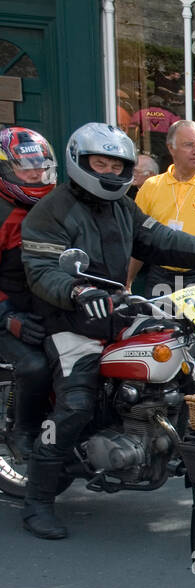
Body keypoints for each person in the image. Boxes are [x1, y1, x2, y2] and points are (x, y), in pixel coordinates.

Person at [20, 123, 195, 539]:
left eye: (116, 164)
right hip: (69, 321)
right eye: (99, 163)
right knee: (77, 401)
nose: (107, 171)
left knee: (184, 356)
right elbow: (40, 271)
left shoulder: (123, 206)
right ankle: (37, 501)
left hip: (116, 312)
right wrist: (75, 288)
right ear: (80, 162)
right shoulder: (52, 210)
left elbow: (158, 239)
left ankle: (185, 454)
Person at [0, 127, 58, 461]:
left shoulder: (54, 205)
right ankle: (22, 432)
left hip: (45, 308)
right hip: (9, 314)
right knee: (35, 366)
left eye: (40, 165)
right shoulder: (4, 215)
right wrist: (8, 319)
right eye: (26, 167)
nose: (36, 172)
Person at [130, 120, 195, 294]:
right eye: (189, 145)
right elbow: (138, 241)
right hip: (161, 276)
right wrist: (127, 283)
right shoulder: (151, 186)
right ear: (171, 148)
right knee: (158, 321)